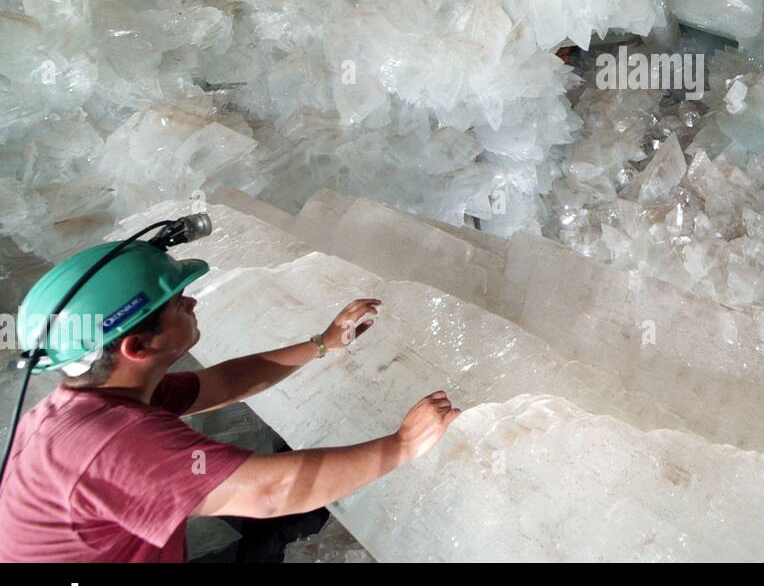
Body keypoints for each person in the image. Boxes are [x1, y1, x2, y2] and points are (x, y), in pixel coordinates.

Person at [0, 240, 459, 562]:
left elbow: (221, 384)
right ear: (136, 348)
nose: (193, 303)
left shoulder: (94, 402)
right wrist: (403, 445)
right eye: (178, 304)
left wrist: (322, 343)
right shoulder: (114, 444)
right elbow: (271, 491)